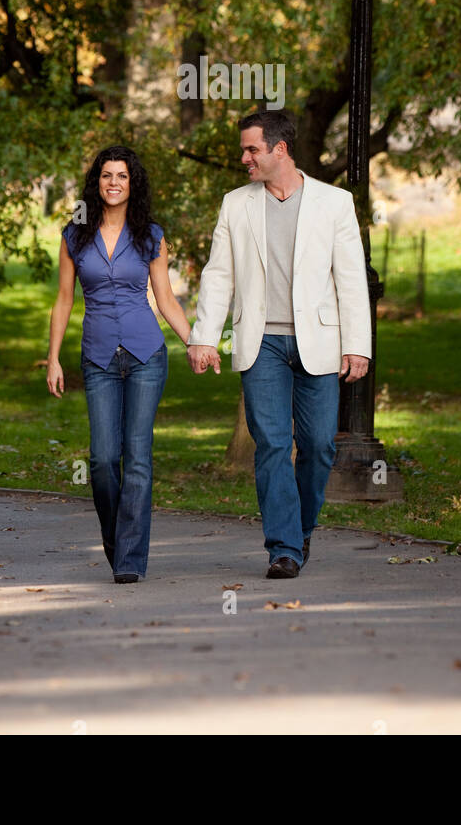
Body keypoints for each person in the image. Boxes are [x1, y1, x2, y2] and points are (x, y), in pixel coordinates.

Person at [187, 110, 371, 578]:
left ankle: (301, 528)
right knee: (272, 443)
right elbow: (218, 274)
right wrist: (204, 337)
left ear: (279, 149)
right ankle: (284, 548)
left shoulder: (334, 203)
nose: (244, 157)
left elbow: (351, 279)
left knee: (319, 445)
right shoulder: (236, 204)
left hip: (319, 343)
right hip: (261, 343)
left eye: (252, 149)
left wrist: (358, 345)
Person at [45, 146, 192, 584]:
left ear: (133, 184)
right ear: (97, 183)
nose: (114, 183)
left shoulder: (150, 235)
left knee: (138, 459)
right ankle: (117, 541)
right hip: (98, 358)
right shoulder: (75, 234)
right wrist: (52, 358)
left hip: (147, 355)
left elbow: (165, 299)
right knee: (104, 460)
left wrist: (196, 343)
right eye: (107, 175)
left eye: (122, 176)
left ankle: (129, 562)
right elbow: (64, 300)